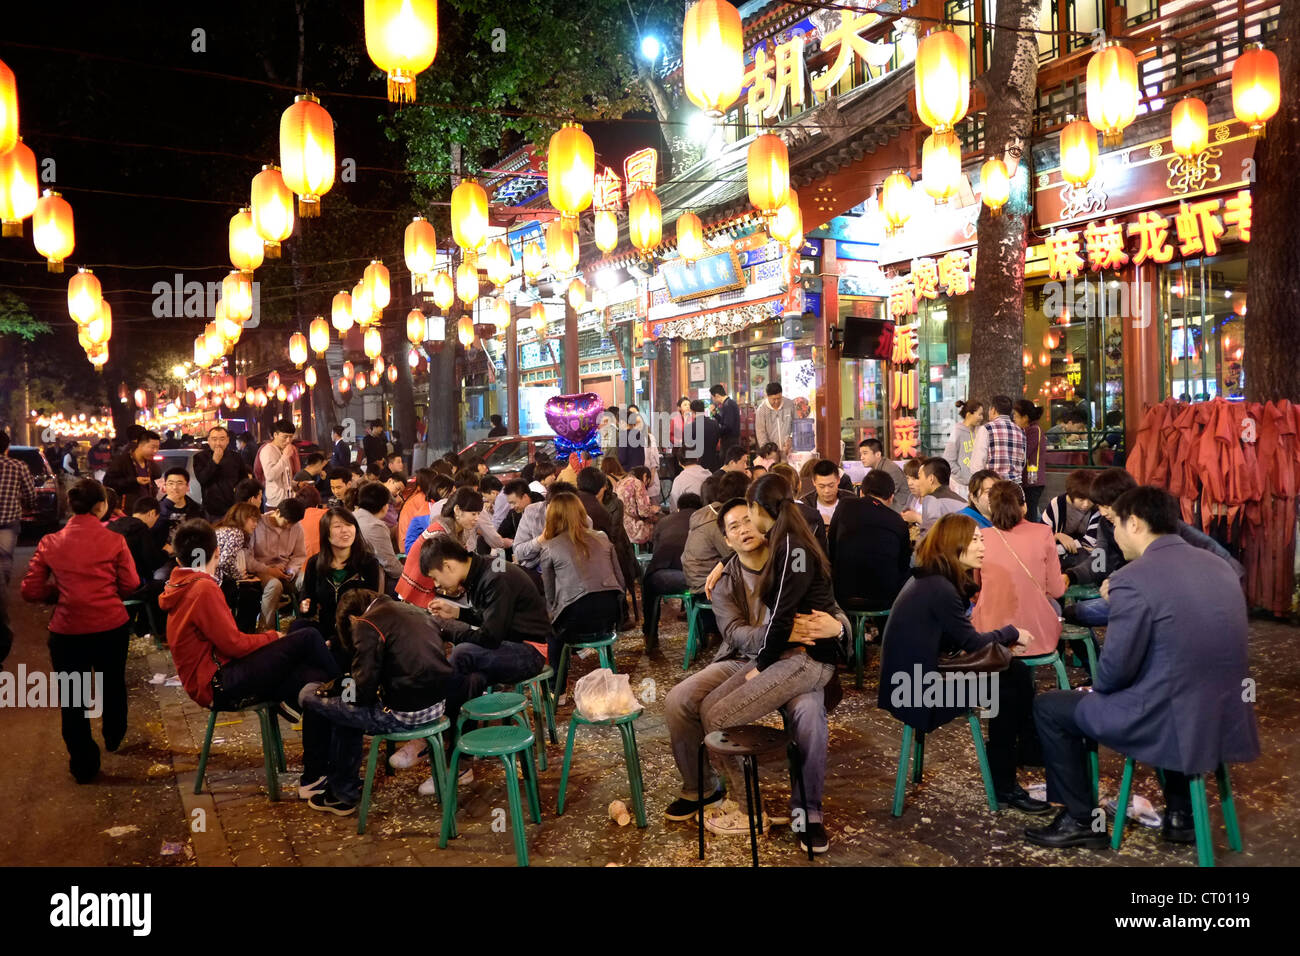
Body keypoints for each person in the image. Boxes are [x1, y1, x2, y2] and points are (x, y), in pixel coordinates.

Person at [1026, 487, 1260, 850]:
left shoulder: (1132, 579)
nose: (1114, 535)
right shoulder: (1220, 566)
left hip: (1165, 720)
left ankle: (1080, 819)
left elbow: (1111, 676)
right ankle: (1181, 814)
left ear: (1134, 523)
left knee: (1051, 708)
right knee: (1176, 685)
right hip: (1226, 713)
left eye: (1116, 525)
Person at [681, 493, 845, 851]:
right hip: (745, 658)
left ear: (763, 521)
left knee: (809, 714)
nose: (744, 530)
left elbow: (831, 606)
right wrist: (776, 635)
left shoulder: (795, 555)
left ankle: (808, 812)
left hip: (802, 661)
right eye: (733, 527)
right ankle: (717, 791)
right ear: (725, 539)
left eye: (748, 520)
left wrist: (838, 628)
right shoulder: (726, 578)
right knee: (683, 699)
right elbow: (734, 633)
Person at [160, 519, 339, 800]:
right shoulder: (202, 589)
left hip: (214, 678)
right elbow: (233, 644)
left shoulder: (178, 583)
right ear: (217, 552)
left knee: (310, 682)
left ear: (178, 555)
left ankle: (313, 776)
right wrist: (271, 638)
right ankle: (353, 701)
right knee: (307, 638)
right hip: (218, 683)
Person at [876, 513, 1042, 812]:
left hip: (907, 685)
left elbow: (955, 639)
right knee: (1010, 682)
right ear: (955, 545)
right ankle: (1007, 779)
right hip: (916, 693)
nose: (982, 546)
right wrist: (1012, 632)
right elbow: (973, 643)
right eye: (975, 540)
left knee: (1012, 674)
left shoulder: (930, 579)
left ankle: (1022, 752)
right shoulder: (940, 588)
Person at [298, 589, 471, 815]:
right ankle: (341, 791)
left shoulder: (366, 623)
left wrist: (342, 686)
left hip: (402, 715)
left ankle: (340, 791)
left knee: (308, 693)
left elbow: (362, 693)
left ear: (351, 619)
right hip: (437, 707)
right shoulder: (410, 610)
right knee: (343, 712)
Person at [21, 479, 140, 783]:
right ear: (101, 507)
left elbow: (32, 590)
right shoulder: (114, 541)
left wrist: (57, 594)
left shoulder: (50, 542)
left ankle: (84, 764)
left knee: (72, 698)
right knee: (112, 683)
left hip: (67, 631)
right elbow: (130, 585)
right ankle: (114, 734)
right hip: (110, 627)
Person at [420, 534, 552, 694]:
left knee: (463, 653)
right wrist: (457, 612)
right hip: (510, 643)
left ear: (447, 566)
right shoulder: (484, 569)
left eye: (435, 577)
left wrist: (447, 631)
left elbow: (490, 638)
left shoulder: (495, 577)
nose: (436, 584)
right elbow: (491, 617)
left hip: (530, 652)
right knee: (474, 678)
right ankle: (461, 718)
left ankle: (445, 715)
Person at [972, 481, 1065, 657]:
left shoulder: (981, 537)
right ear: (1024, 506)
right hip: (1037, 636)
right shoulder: (1044, 533)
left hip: (989, 635)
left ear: (991, 508)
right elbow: (1057, 590)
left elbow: (975, 592)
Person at [538, 491, 625, 671]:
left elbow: (550, 597)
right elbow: (620, 579)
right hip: (612, 613)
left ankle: (557, 690)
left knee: (552, 632)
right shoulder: (602, 537)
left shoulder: (549, 547)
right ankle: (582, 651)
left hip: (577, 617)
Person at [299, 508, 382, 664]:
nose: (345, 531)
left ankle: (339, 684)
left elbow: (370, 607)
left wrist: (335, 641)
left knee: (335, 657)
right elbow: (307, 594)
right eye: (337, 526)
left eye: (349, 525)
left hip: (355, 631)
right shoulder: (315, 563)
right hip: (324, 627)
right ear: (326, 533)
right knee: (298, 628)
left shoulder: (368, 563)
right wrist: (305, 604)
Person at [827, 470, 910, 613]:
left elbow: (831, 547)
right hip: (884, 600)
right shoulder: (898, 521)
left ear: (861, 493)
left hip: (843, 596)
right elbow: (903, 564)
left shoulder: (844, 506)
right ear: (891, 498)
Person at [397, 488, 484, 608]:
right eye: (473, 514)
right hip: (421, 592)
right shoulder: (439, 534)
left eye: (478, 514)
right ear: (457, 510)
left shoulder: (458, 530)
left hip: (437, 588)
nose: (477, 518)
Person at [641, 492, 700, 653]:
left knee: (648, 584)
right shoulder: (702, 521)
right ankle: (704, 633)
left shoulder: (664, 521)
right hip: (694, 578)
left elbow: (656, 548)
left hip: (664, 575)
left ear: (679, 508)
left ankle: (650, 633)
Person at [109, 496, 168, 633]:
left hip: (108, 585)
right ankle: (152, 630)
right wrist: (165, 552)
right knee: (160, 585)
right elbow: (153, 562)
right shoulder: (141, 529)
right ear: (152, 513)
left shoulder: (114, 526)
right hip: (128, 589)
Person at [250, 498, 307, 630]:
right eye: (287, 522)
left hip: (286, 570)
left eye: (292, 524)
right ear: (277, 512)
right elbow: (250, 556)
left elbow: (299, 555)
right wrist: (269, 570)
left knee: (306, 579)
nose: (288, 527)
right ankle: (265, 630)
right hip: (262, 570)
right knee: (274, 586)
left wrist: (291, 570)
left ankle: (306, 622)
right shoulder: (258, 524)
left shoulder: (296, 528)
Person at [215, 502, 265, 632]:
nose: (255, 525)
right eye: (253, 520)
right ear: (242, 517)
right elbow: (224, 561)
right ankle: (244, 635)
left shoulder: (221, 528)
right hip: (218, 583)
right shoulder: (236, 533)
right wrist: (239, 576)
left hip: (210, 581)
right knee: (251, 595)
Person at [1040, 469, 1100, 569]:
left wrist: (1056, 548)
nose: (1086, 504)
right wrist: (1057, 536)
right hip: (1061, 553)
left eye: (1090, 500)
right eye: (1081, 499)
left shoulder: (1098, 508)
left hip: (1082, 556)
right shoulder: (1057, 504)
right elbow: (1041, 537)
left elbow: (1090, 544)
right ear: (1071, 495)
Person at [0, 429, 37, 588]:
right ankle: (3, 594)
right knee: (5, 559)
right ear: (6, 448)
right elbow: (30, 493)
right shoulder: (18, 466)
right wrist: (29, 506)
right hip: (8, 521)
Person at [193, 425, 248, 520]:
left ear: (227, 440)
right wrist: (214, 461)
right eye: (214, 439)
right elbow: (202, 479)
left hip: (233, 508)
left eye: (222, 439)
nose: (218, 443)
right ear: (209, 441)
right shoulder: (200, 457)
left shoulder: (236, 457)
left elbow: (244, 480)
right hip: (212, 511)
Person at [969, 394, 1026, 485]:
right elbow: (1023, 462)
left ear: (993, 410)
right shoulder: (1021, 431)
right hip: (1015, 488)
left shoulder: (987, 429)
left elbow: (977, 464)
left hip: (994, 487)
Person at [354, 481, 403, 586]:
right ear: (385, 506)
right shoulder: (375, 526)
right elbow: (389, 565)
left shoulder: (353, 515)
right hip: (367, 580)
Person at [901, 457, 967, 535]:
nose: (911, 483)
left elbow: (929, 535)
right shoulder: (961, 501)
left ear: (931, 479)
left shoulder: (932, 500)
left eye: (919, 477)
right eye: (908, 478)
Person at [103, 429, 160, 513]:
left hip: (147, 510)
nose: (155, 451)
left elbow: (156, 477)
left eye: (157, 448)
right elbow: (108, 482)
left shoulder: (150, 463)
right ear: (140, 445)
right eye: (152, 447)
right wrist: (134, 480)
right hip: (127, 510)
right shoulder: (122, 461)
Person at [943, 399, 984, 499]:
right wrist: (962, 476)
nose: (981, 418)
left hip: (976, 485)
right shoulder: (957, 432)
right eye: (979, 414)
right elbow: (948, 459)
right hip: (960, 486)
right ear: (969, 414)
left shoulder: (980, 432)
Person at [156, 467, 204, 550]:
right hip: (164, 556)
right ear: (165, 486)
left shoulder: (197, 509)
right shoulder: (156, 509)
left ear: (187, 486)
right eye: (170, 483)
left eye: (180, 483)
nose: (175, 487)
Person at [1014, 400, 1046, 520]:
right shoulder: (1026, 430)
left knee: (1030, 512)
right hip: (1027, 478)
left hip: (1033, 479)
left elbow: (1024, 452)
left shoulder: (1034, 430)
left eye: (1017, 416)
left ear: (1025, 417)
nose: (1015, 420)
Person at [858, 438, 908, 514]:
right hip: (884, 510)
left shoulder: (890, 469)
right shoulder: (874, 471)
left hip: (898, 512)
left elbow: (884, 496)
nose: (862, 457)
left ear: (878, 454)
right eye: (861, 454)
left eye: (865, 453)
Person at [256, 420, 297, 508]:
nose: (288, 441)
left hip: (287, 500)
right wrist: (285, 457)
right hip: (276, 503)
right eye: (285, 437)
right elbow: (270, 476)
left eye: (291, 437)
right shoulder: (268, 450)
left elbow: (284, 478)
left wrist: (296, 484)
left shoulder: (283, 450)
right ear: (275, 435)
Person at [801, 458, 854, 527]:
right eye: (822, 486)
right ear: (814, 482)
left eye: (831, 485)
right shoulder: (805, 504)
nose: (827, 491)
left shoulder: (851, 501)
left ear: (838, 480)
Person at [616, 465, 659, 545]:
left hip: (620, 528)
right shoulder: (637, 483)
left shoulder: (619, 482)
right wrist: (654, 509)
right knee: (660, 525)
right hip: (634, 530)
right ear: (645, 476)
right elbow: (644, 512)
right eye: (647, 482)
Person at [754, 381, 795, 458]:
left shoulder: (789, 404)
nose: (776, 402)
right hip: (771, 453)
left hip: (789, 449)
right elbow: (761, 433)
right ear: (767, 396)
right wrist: (768, 450)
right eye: (773, 399)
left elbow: (795, 424)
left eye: (779, 398)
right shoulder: (762, 410)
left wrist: (791, 438)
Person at [684, 398, 722, 472]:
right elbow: (717, 440)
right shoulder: (714, 424)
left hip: (697, 465)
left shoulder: (690, 427)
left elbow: (687, 448)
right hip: (714, 464)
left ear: (692, 411)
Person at [710, 384, 740, 451]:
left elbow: (727, 427)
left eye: (712, 397)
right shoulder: (728, 403)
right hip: (730, 441)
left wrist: (714, 432)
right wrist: (715, 414)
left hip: (730, 442)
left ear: (717, 395)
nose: (713, 400)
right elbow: (724, 422)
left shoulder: (728, 405)